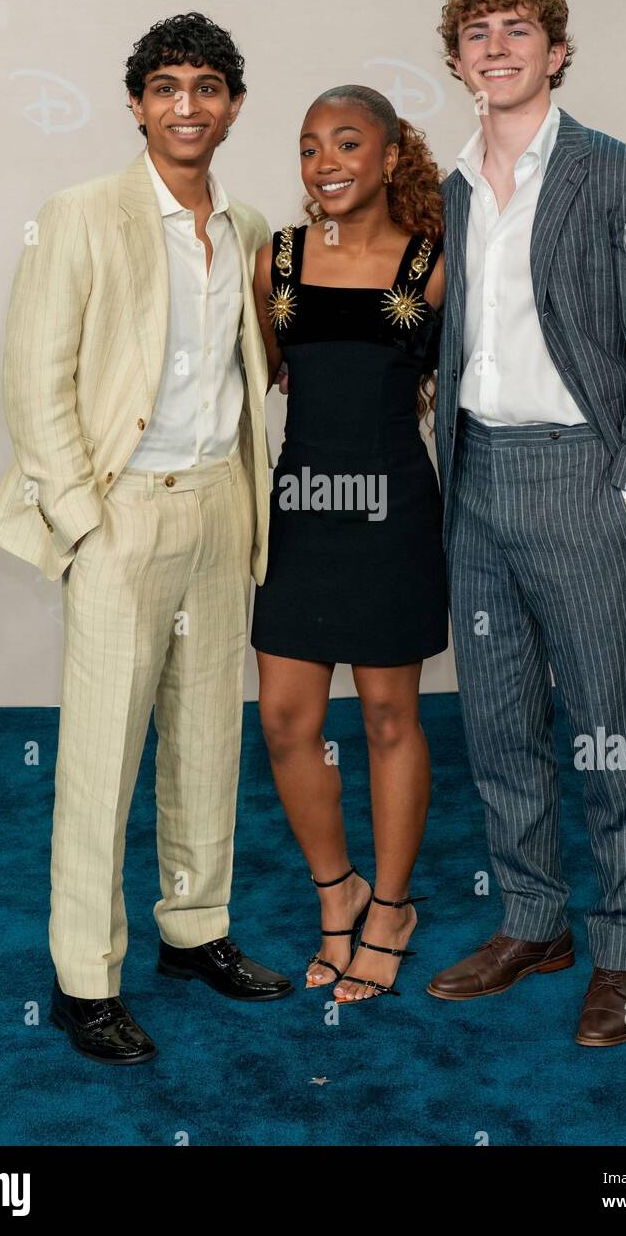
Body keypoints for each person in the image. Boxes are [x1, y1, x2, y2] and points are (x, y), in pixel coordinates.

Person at [0, 12, 291, 1065]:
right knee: (103, 754)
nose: (187, 106)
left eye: (207, 86)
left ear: (233, 106)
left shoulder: (248, 228)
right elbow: (35, 378)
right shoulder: (79, 214)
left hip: (218, 509)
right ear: (136, 103)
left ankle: (194, 931)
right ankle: (83, 979)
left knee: (208, 738)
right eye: (166, 87)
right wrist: (83, 522)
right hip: (121, 514)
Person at [428, 0, 626, 1045]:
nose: (495, 47)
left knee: (607, 731)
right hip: (473, 478)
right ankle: (532, 920)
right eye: (475, 33)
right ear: (455, 58)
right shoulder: (441, 187)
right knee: (496, 722)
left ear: (554, 51)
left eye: (517, 29)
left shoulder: (621, 174)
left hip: (579, 478)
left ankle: (623, 948)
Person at [250, 86, 448, 1002]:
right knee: (288, 721)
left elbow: (461, 387)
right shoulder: (276, 264)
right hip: (302, 510)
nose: (325, 162)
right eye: (307, 148)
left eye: (347, 142)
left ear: (390, 155)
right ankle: (340, 896)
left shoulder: (432, 266)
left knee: (385, 719)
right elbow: (270, 374)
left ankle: (394, 907)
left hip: (391, 513)